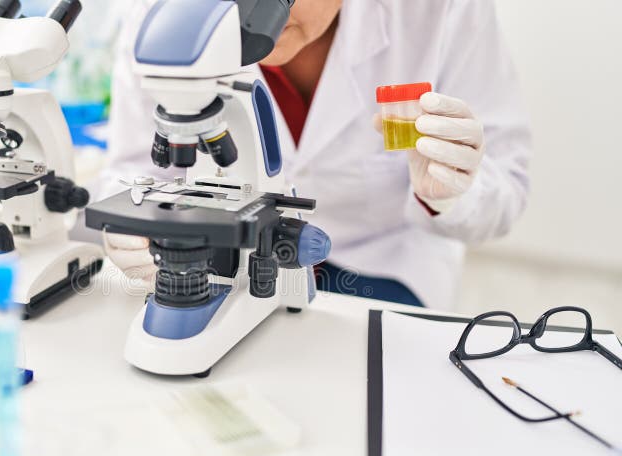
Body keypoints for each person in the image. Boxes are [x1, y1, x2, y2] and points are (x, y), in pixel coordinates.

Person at [96, 0, 532, 310]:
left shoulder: (440, 10)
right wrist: (130, 232)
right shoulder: (159, 16)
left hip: (383, 261)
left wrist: (449, 192)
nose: (256, 12)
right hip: (226, 259)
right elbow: (131, 170)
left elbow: (506, 191)